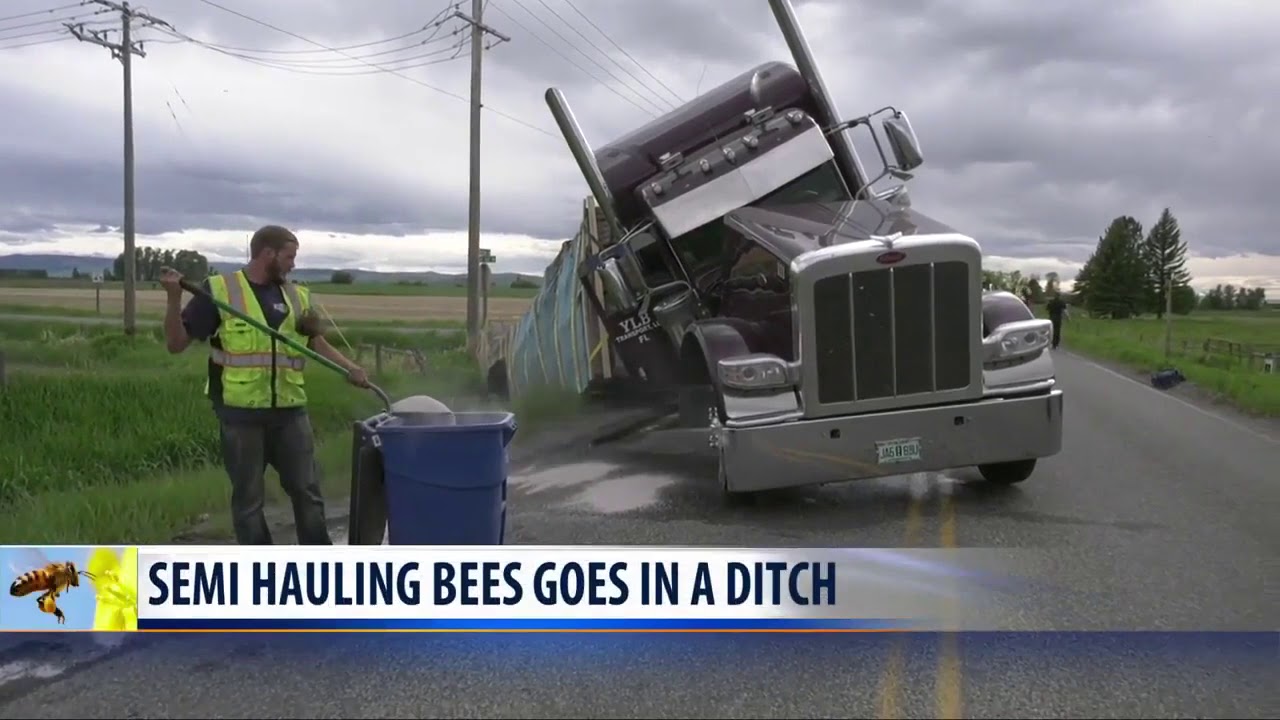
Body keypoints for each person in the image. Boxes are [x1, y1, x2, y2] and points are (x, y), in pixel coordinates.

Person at [159, 225, 370, 545]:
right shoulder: (219, 291)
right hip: (240, 415)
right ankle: (261, 565)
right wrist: (174, 298)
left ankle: (320, 562)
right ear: (267, 254)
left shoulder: (297, 296)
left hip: (290, 412)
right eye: (289, 257)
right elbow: (176, 344)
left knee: (307, 491)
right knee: (248, 501)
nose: (293, 265)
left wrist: (350, 368)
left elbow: (315, 343)